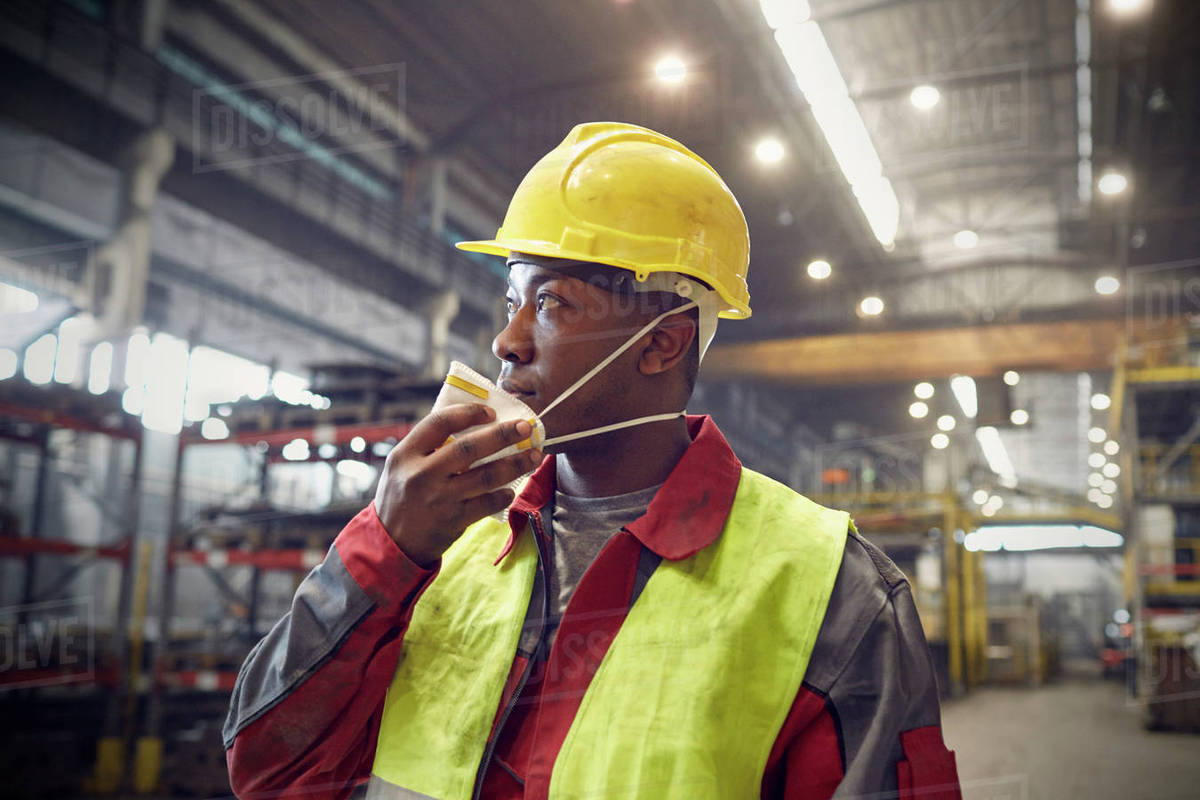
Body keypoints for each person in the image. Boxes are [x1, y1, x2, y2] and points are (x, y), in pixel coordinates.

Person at [223, 122, 962, 799]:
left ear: (663, 342)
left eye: (551, 304)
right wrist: (386, 548)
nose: (507, 342)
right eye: (511, 300)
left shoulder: (829, 592)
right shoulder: (442, 544)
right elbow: (267, 768)